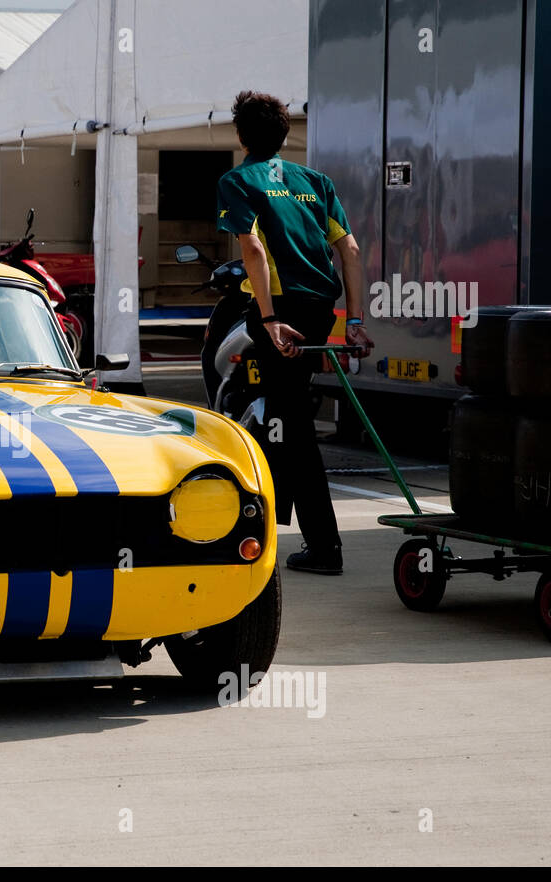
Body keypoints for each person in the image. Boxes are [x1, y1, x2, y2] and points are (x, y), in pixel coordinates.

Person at [215, 90, 374, 575]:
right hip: (321, 310)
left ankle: (322, 548)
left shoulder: (237, 181)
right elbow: (349, 250)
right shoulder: (315, 181)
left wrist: (266, 318)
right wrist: (356, 320)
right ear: (284, 135)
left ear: (241, 136)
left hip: (279, 313)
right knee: (289, 420)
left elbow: (254, 251)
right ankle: (297, 531)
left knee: (294, 431)